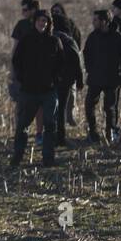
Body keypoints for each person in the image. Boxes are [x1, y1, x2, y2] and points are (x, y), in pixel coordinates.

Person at [10, 9, 65, 167]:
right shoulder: (26, 40)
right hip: (29, 91)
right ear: (35, 22)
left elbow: (61, 64)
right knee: (22, 126)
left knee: (50, 126)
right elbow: (17, 61)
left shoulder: (54, 42)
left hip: (49, 91)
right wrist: (22, 79)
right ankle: (17, 157)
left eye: (46, 21)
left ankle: (48, 159)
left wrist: (55, 80)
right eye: (41, 21)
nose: (43, 24)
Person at [83, 8, 121, 145]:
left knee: (110, 109)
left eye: (96, 19)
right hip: (95, 79)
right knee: (88, 105)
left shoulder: (118, 37)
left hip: (112, 80)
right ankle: (93, 133)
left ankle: (111, 134)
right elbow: (86, 54)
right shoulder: (93, 37)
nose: (93, 22)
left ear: (104, 21)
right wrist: (90, 70)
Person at [51, 10, 85, 148]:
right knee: (61, 110)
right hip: (66, 80)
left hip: (51, 80)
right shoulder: (69, 41)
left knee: (52, 109)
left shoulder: (50, 38)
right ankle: (60, 137)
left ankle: (50, 136)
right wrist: (79, 79)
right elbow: (77, 61)